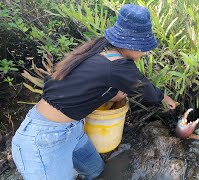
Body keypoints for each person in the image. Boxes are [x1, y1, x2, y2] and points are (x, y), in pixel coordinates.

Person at [11, 4, 176, 180]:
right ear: (131, 45)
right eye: (144, 46)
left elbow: (63, 86)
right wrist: (165, 98)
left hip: (72, 129)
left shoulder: (98, 51)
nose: (145, 52)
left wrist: (111, 95)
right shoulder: (118, 66)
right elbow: (147, 91)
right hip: (44, 139)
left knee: (95, 172)